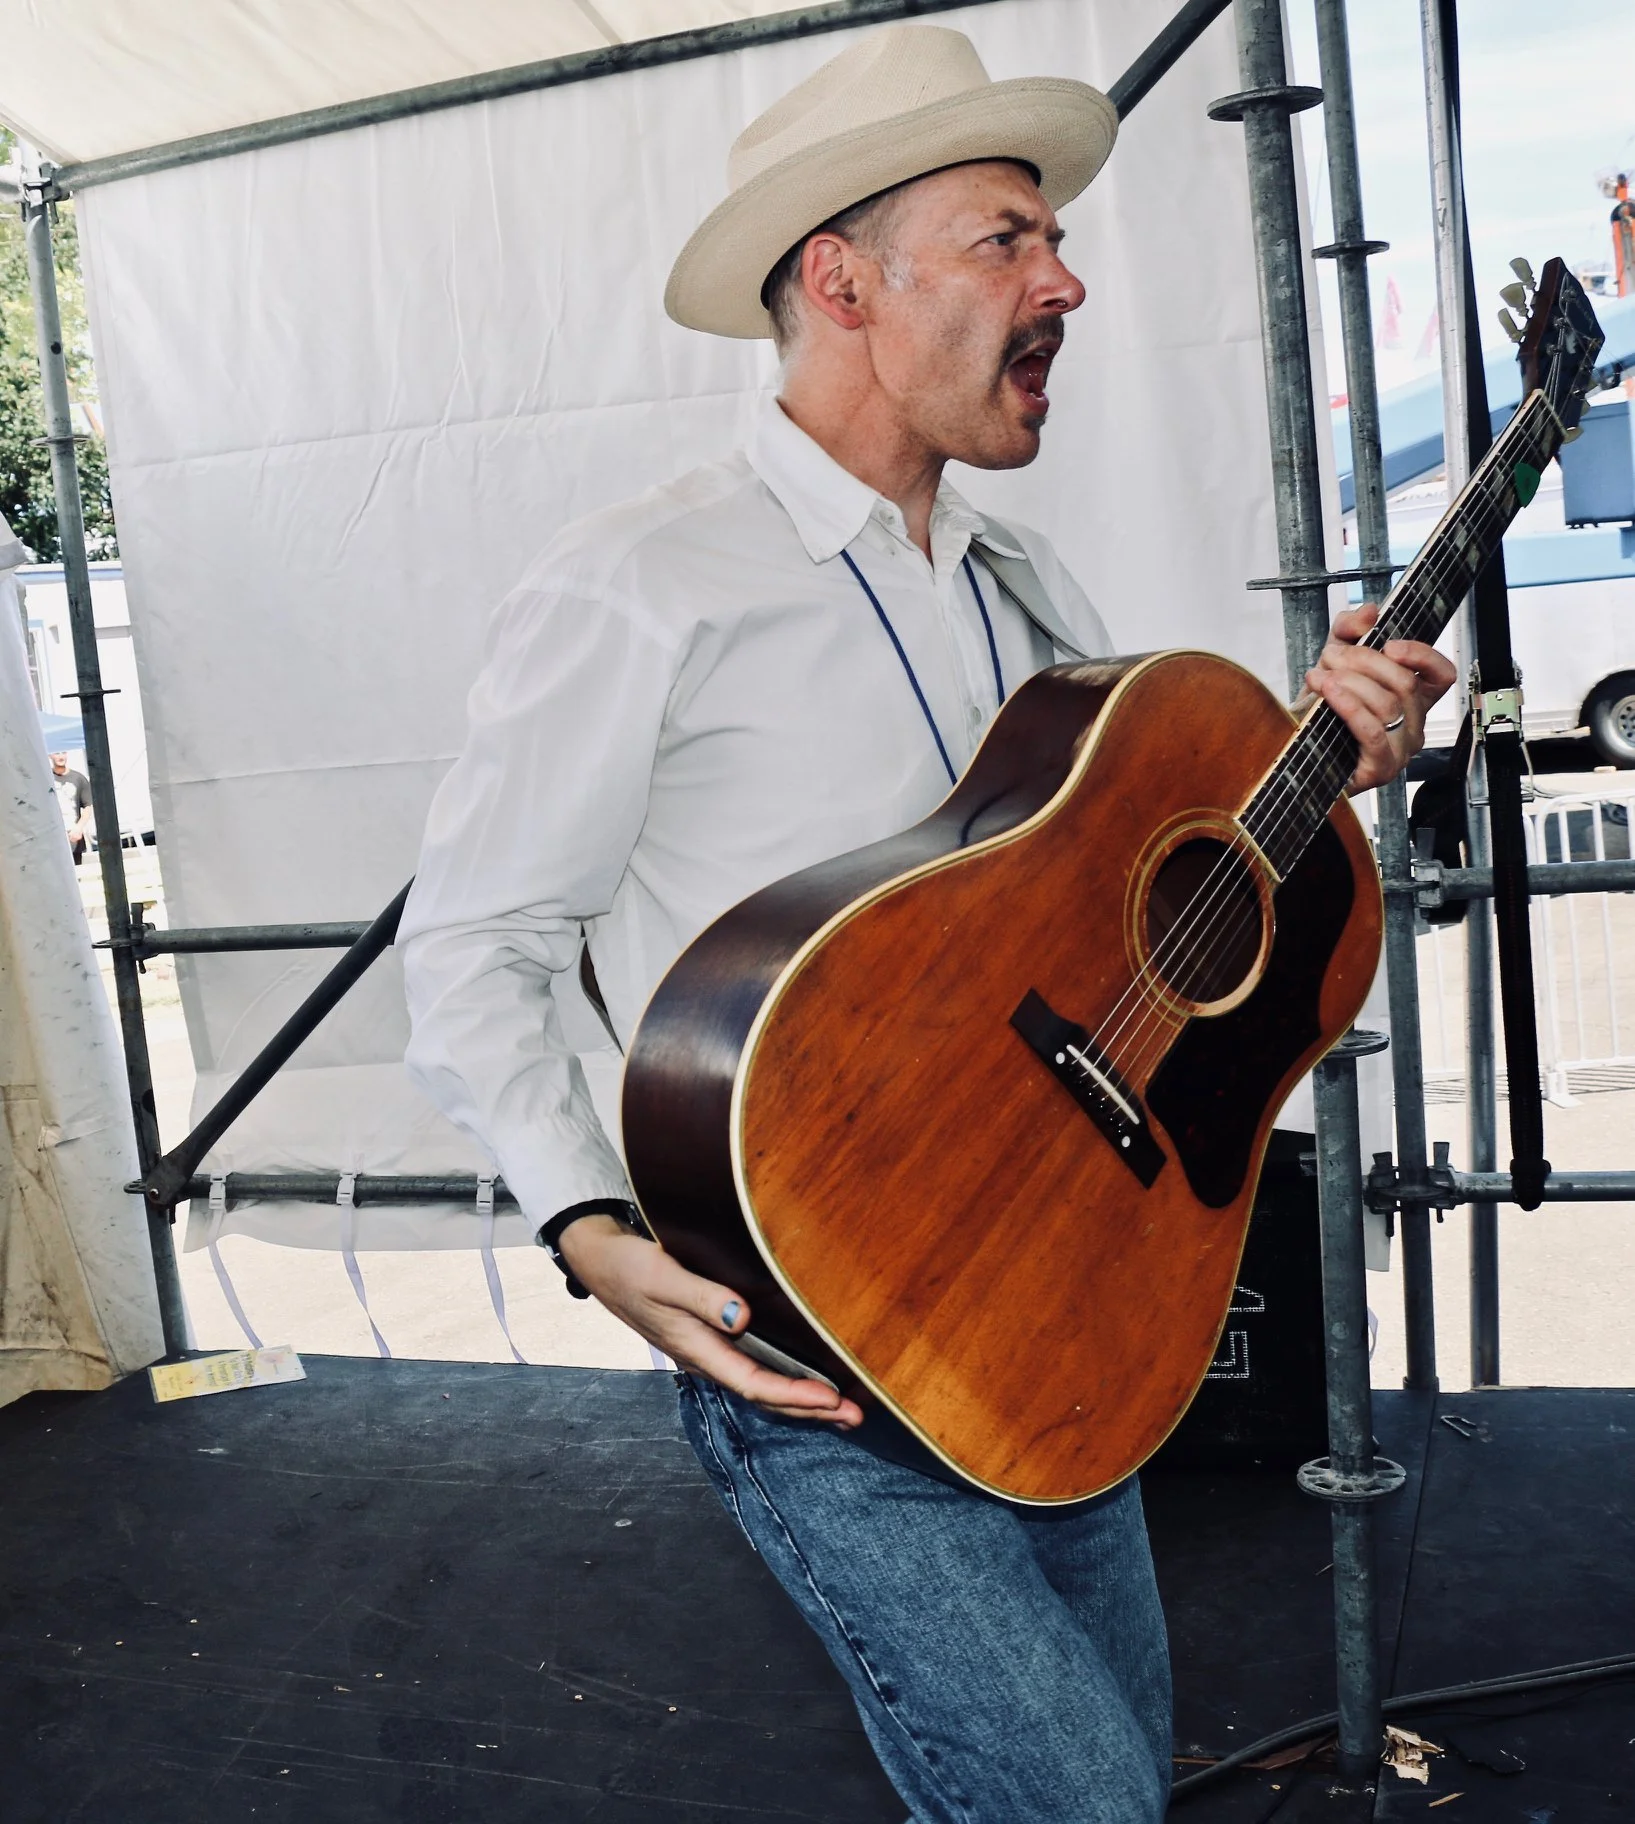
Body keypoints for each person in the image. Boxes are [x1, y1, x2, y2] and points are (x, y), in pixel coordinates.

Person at [399, 25, 1455, 1821]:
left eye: (1054, 242)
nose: (1069, 280)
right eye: (1006, 238)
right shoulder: (642, 583)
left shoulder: (1036, 590)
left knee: (1112, 1788)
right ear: (843, 280)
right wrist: (585, 1223)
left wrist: (1320, 783)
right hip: (820, 1356)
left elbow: (1115, 928)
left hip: (1062, 1323)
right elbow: (474, 943)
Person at [51, 751, 93, 865]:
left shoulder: (78, 778)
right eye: (56, 753)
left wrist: (79, 827)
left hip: (72, 833)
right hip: (52, 834)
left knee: (75, 872)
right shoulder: (45, 778)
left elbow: (87, 807)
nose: (61, 756)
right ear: (50, 756)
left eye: (63, 753)